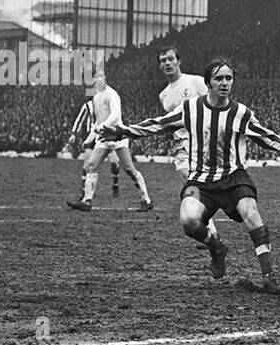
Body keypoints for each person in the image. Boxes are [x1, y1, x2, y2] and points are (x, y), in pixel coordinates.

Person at [99, 58, 280, 295]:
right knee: (188, 221)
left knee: (251, 213)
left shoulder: (241, 113)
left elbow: (268, 138)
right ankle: (216, 248)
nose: (224, 83)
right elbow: (158, 124)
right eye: (219, 78)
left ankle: (269, 277)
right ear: (208, 83)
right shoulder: (190, 108)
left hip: (234, 179)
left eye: (228, 78)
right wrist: (123, 130)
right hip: (199, 182)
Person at [157, 46, 217, 244]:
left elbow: (214, 103)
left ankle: (209, 227)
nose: (167, 63)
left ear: (178, 61)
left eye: (170, 59)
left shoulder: (195, 82)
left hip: (203, 142)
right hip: (181, 145)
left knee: (202, 184)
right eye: (163, 60)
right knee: (189, 180)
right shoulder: (164, 95)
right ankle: (210, 229)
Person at [66, 75, 154, 212]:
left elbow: (116, 115)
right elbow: (98, 121)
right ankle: (87, 201)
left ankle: (146, 200)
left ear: (105, 79)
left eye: (100, 77)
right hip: (103, 138)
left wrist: (104, 127)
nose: (97, 81)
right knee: (91, 165)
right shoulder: (96, 98)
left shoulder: (112, 94)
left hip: (117, 136)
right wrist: (89, 139)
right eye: (95, 79)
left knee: (129, 169)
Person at [68, 96, 121, 201]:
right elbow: (79, 120)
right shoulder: (88, 105)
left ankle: (115, 184)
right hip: (91, 137)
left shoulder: (108, 104)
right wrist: (74, 133)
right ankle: (83, 190)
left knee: (115, 162)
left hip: (105, 136)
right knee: (87, 164)